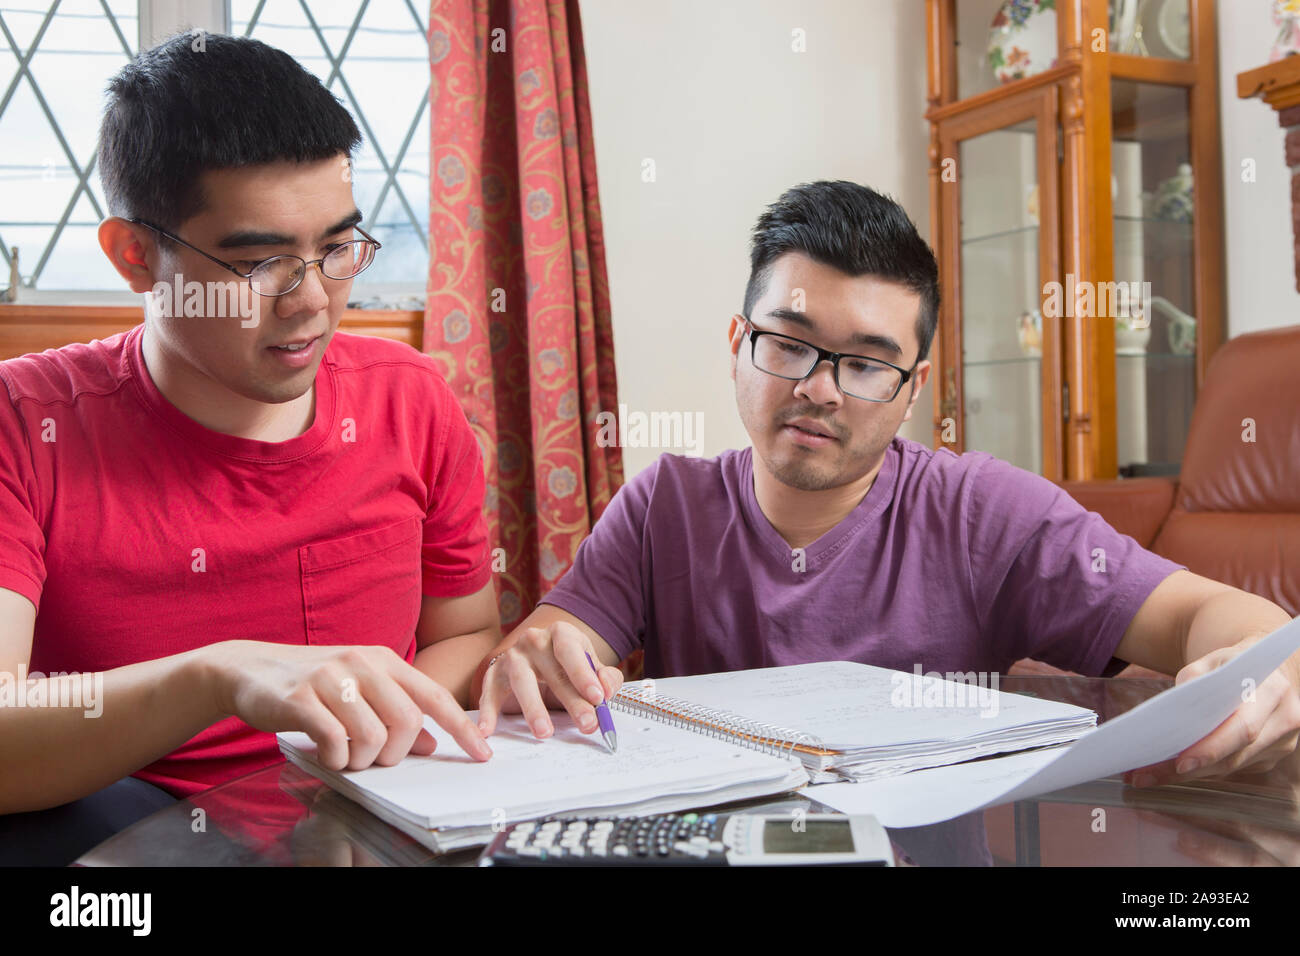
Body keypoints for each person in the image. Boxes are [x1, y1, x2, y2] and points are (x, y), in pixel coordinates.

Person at [475, 180, 1300, 792]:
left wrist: (1269, 666)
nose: (819, 388)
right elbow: (548, 647)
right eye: (788, 345)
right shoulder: (665, 506)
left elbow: (1205, 613)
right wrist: (544, 661)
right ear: (737, 343)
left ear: (914, 389)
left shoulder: (983, 511)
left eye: (867, 365)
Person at [0, 34, 494, 864]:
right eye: (261, 262)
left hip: (373, 816)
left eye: (337, 250)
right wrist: (216, 676)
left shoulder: (408, 399)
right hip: (122, 837)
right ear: (134, 255)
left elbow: (469, 632)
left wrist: (365, 721)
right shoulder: (26, 421)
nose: (312, 305)